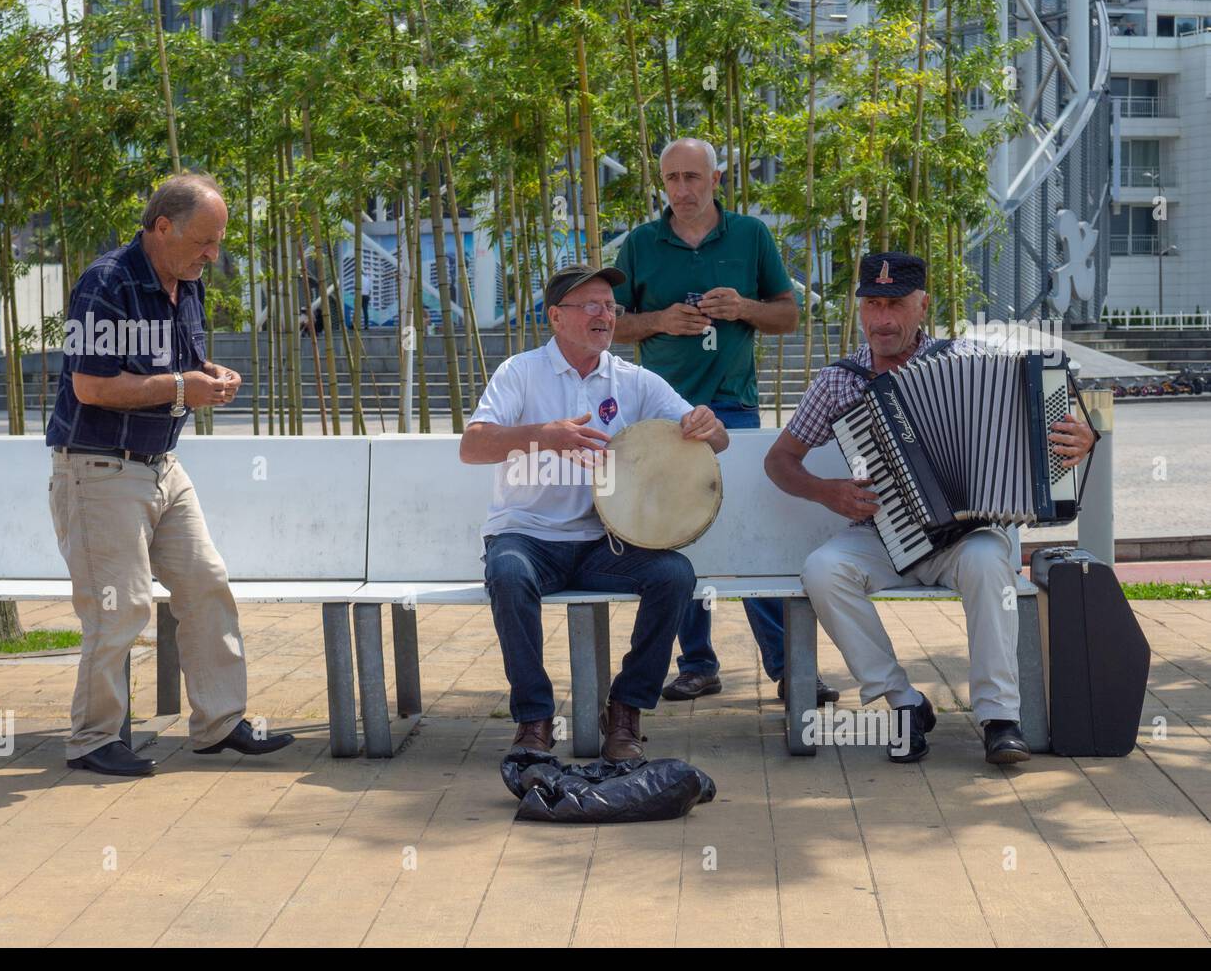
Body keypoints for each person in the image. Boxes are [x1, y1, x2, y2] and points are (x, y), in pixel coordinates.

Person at [764, 252, 1097, 764]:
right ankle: (904, 703)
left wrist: (1081, 438)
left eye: (894, 304)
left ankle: (999, 718)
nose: (881, 319)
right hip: (878, 534)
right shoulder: (838, 381)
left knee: (990, 563)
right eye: (871, 305)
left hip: (962, 535)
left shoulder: (968, 359)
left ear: (922, 306)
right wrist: (827, 491)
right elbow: (780, 461)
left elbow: (1047, 420)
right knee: (823, 570)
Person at [45, 172, 296, 778]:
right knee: (120, 606)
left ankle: (218, 724)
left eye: (217, 242)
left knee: (207, 583)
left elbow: (179, 365)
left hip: (162, 466)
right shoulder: (105, 283)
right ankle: (91, 741)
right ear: (162, 227)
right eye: (205, 241)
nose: (213, 254)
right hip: (99, 469)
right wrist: (187, 387)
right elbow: (92, 385)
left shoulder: (188, 283)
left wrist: (208, 375)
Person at [461, 264, 729, 762]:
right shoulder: (519, 373)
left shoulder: (635, 381)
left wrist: (706, 425)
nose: (605, 315)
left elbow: (719, 440)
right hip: (528, 536)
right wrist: (544, 434)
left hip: (606, 542)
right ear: (556, 316)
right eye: (591, 305)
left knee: (673, 575)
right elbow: (473, 447)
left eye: (610, 306)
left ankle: (626, 711)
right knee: (507, 573)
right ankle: (534, 719)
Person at [612, 136, 837, 707]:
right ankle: (697, 664)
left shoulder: (751, 236)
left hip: (734, 410)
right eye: (672, 179)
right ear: (661, 183)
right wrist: (660, 319)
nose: (682, 190)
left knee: (753, 537)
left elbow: (788, 314)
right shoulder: (640, 244)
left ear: (717, 180)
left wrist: (743, 309)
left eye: (693, 177)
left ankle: (789, 667)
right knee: (673, 534)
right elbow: (610, 327)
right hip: (663, 414)